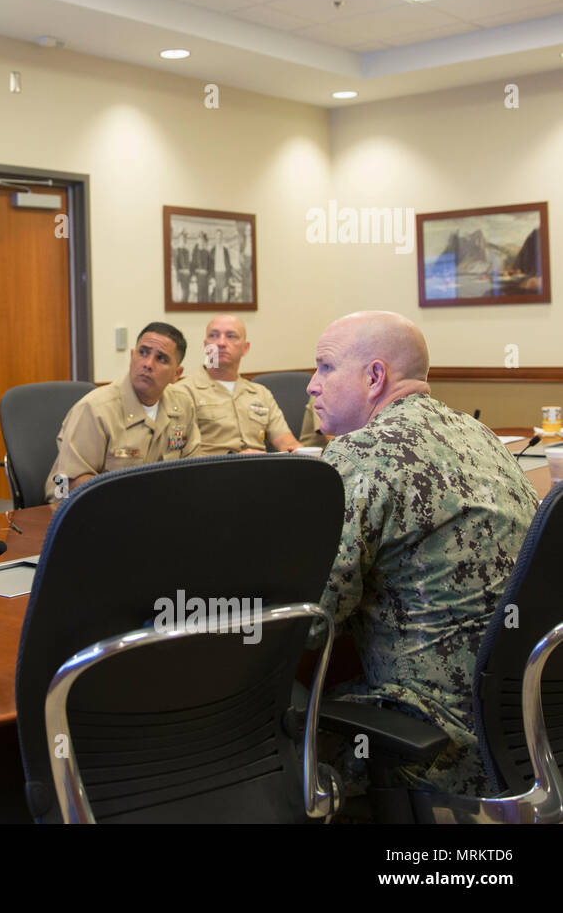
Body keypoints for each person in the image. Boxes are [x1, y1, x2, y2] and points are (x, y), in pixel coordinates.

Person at [307, 310, 538, 794]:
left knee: (273, 718)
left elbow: (310, 622)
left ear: (375, 377)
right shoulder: (477, 433)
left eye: (325, 367)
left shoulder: (363, 452)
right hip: (526, 725)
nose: (311, 385)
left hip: (436, 737)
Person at [45, 322, 200, 502]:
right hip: (83, 506)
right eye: (143, 353)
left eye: (161, 359)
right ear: (132, 356)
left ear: (177, 374)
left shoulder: (182, 405)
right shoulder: (95, 408)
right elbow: (71, 482)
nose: (148, 364)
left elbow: (192, 469)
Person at [179, 314, 299, 455]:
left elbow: (287, 443)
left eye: (231, 336)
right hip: (212, 467)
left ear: (245, 348)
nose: (221, 343)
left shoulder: (260, 393)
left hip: (261, 465)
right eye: (213, 336)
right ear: (206, 346)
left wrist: (302, 453)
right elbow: (182, 453)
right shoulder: (183, 392)